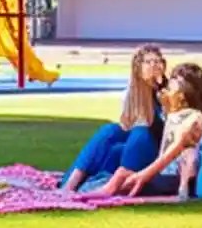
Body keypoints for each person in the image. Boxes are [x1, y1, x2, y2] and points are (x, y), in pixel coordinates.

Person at [86, 62, 202, 198]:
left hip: (173, 179)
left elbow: (185, 155)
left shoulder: (194, 117)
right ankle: (99, 188)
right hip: (164, 174)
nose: (169, 83)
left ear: (185, 90)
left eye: (174, 80)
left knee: (124, 175)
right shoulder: (173, 115)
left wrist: (182, 187)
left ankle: (103, 192)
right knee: (118, 158)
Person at [59, 45, 167, 191]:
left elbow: (152, 125)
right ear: (138, 68)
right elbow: (127, 124)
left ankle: (108, 185)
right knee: (110, 132)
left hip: (157, 149)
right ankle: (72, 181)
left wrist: (156, 89)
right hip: (136, 146)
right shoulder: (133, 92)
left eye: (157, 61)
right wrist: (144, 90)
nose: (154, 66)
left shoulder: (169, 91)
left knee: (140, 131)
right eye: (148, 62)